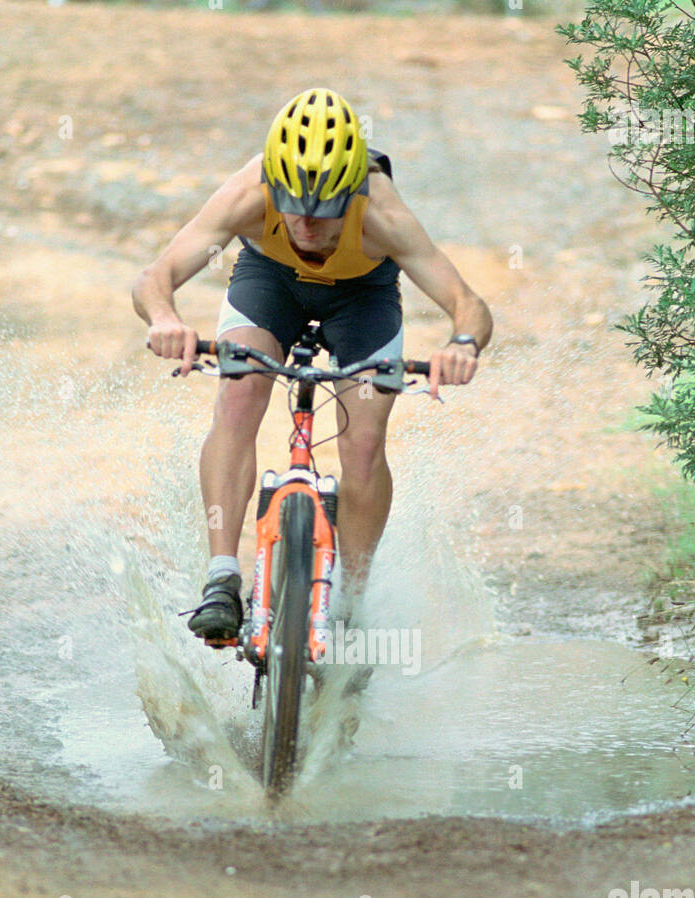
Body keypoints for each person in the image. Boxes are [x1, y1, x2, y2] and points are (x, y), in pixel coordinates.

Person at [133, 87, 492, 645]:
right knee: (239, 392)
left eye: (323, 215)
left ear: (351, 196)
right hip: (270, 283)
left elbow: (467, 303)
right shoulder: (248, 192)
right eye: (293, 209)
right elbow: (156, 276)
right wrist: (164, 319)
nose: (305, 227)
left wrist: (462, 344)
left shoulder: (382, 212)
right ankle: (221, 578)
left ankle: (350, 600)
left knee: (364, 440)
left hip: (362, 297)